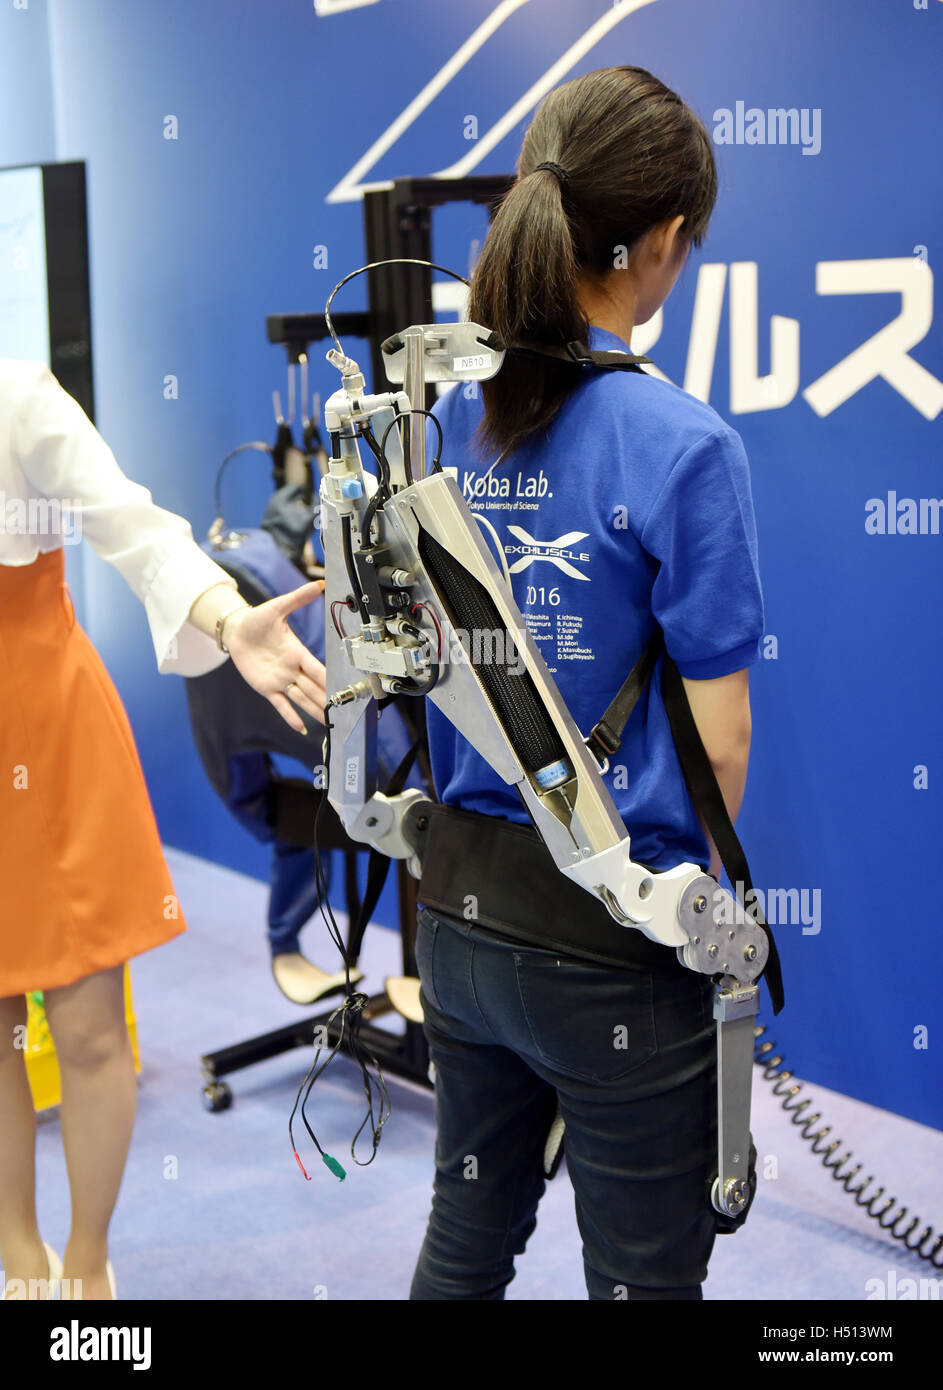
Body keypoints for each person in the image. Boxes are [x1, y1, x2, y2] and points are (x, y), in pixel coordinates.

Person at [409, 66, 763, 1300]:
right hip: (616, 939)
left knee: (464, 1244)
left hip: (456, 915)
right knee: (638, 1280)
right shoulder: (684, 445)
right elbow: (717, 750)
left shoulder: (441, 425)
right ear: (659, 243)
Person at [0, 359, 327, 1300]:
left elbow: (130, 523)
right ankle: (19, 1250)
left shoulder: (21, 395)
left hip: (43, 739)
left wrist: (229, 619)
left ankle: (90, 1259)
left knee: (88, 1027)